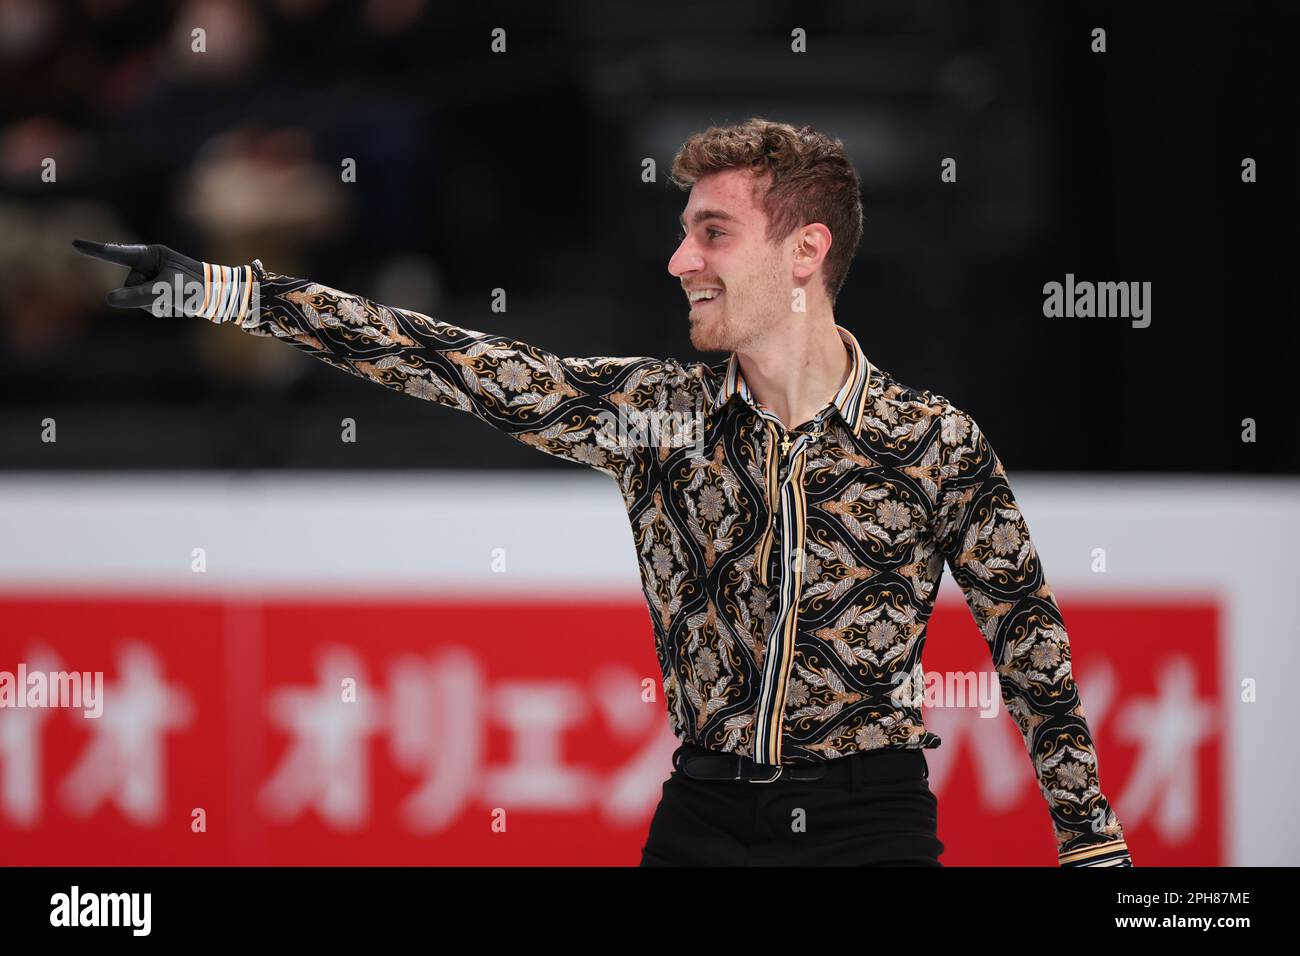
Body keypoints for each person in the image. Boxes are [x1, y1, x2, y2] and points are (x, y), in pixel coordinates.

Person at [73, 117, 1131, 867]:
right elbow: (452, 360)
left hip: (870, 825)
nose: (679, 259)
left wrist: (1090, 845)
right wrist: (225, 288)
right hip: (703, 814)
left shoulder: (932, 440)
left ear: (805, 252)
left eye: (712, 230)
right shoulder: (656, 415)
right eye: (683, 232)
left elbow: (1029, 647)